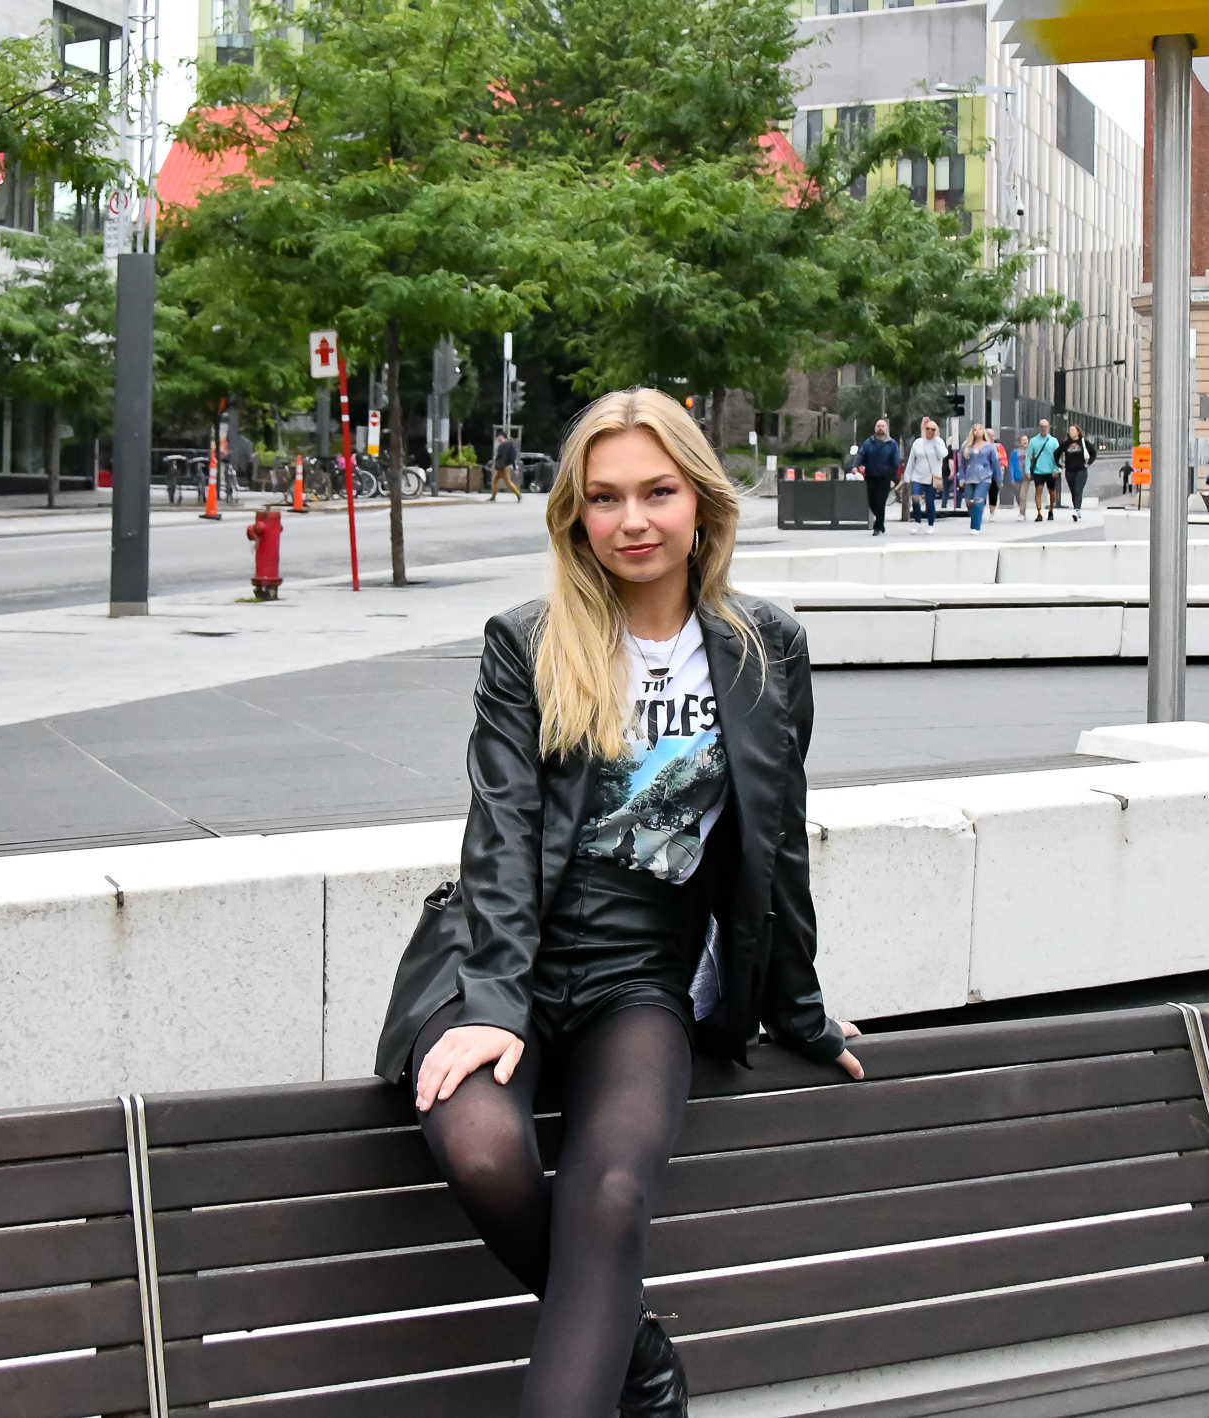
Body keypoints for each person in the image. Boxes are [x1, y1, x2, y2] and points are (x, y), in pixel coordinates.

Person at [375, 387, 863, 1418]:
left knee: (609, 1192)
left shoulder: (764, 647)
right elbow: (500, 834)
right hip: (496, 958)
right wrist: (494, 1006)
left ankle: (625, 1361)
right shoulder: (528, 640)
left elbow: (776, 842)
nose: (631, 520)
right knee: (482, 1145)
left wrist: (801, 1011)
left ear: (701, 503)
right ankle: (637, 1356)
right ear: (575, 514)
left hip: (640, 975)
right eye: (604, 497)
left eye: (656, 492)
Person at [851, 418, 901, 535]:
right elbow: (861, 454)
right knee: (872, 502)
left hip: (884, 478)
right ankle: (880, 523)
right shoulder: (869, 442)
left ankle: (877, 527)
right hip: (871, 476)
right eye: (878, 426)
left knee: (880, 502)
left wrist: (892, 475)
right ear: (875, 428)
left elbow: (895, 462)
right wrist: (855, 466)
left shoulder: (892, 444)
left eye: (882, 426)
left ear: (886, 428)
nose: (880, 428)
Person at [903, 417, 948, 534]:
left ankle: (931, 524)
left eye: (933, 429)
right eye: (928, 428)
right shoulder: (918, 442)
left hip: (932, 477)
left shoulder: (939, 442)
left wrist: (936, 441)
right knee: (915, 497)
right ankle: (917, 522)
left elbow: (943, 454)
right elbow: (912, 460)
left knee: (930, 501)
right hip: (917, 475)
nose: (930, 431)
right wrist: (907, 476)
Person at [959, 424, 997, 534]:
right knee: (969, 501)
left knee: (978, 500)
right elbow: (962, 464)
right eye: (975, 430)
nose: (977, 431)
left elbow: (994, 464)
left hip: (984, 477)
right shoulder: (966, 446)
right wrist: (961, 478)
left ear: (983, 431)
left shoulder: (989, 447)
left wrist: (998, 479)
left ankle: (975, 526)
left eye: (980, 429)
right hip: (969, 477)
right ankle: (976, 515)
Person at [1060, 423, 1097, 522]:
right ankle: (1076, 508)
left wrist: (1089, 463)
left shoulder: (1083, 442)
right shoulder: (1066, 444)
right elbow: (1057, 452)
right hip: (1069, 470)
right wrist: (1059, 464)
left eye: (1072, 430)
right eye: (1069, 430)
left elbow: (1093, 453)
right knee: (1073, 491)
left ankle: (1077, 510)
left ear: (1078, 432)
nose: (1070, 432)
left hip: (1081, 470)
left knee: (1078, 490)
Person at [1026, 418, 1061, 522]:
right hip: (1038, 470)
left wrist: (1057, 469)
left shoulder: (1053, 441)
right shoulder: (1033, 441)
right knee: (1038, 490)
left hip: (1051, 470)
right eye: (1041, 426)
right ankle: (1039, 513)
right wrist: (1027, 470)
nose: (1043, 428)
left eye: (1045, 426)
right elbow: (1028, 456)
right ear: (1039, 428)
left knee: (1052, 492)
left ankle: (1051, 510)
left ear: (1048, 427)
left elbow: (1058, 456)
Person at [491, 432, 523, 502]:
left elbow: (509, 456)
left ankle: (518, 494)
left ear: (501, 436)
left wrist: (514, 467)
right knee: (495, 480)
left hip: (504, 466)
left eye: (498, 436)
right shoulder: (506, 445)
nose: (498, 438)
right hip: (502, 466)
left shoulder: (505, 445)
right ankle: (493, 496)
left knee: (508, 482)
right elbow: (511, 457)